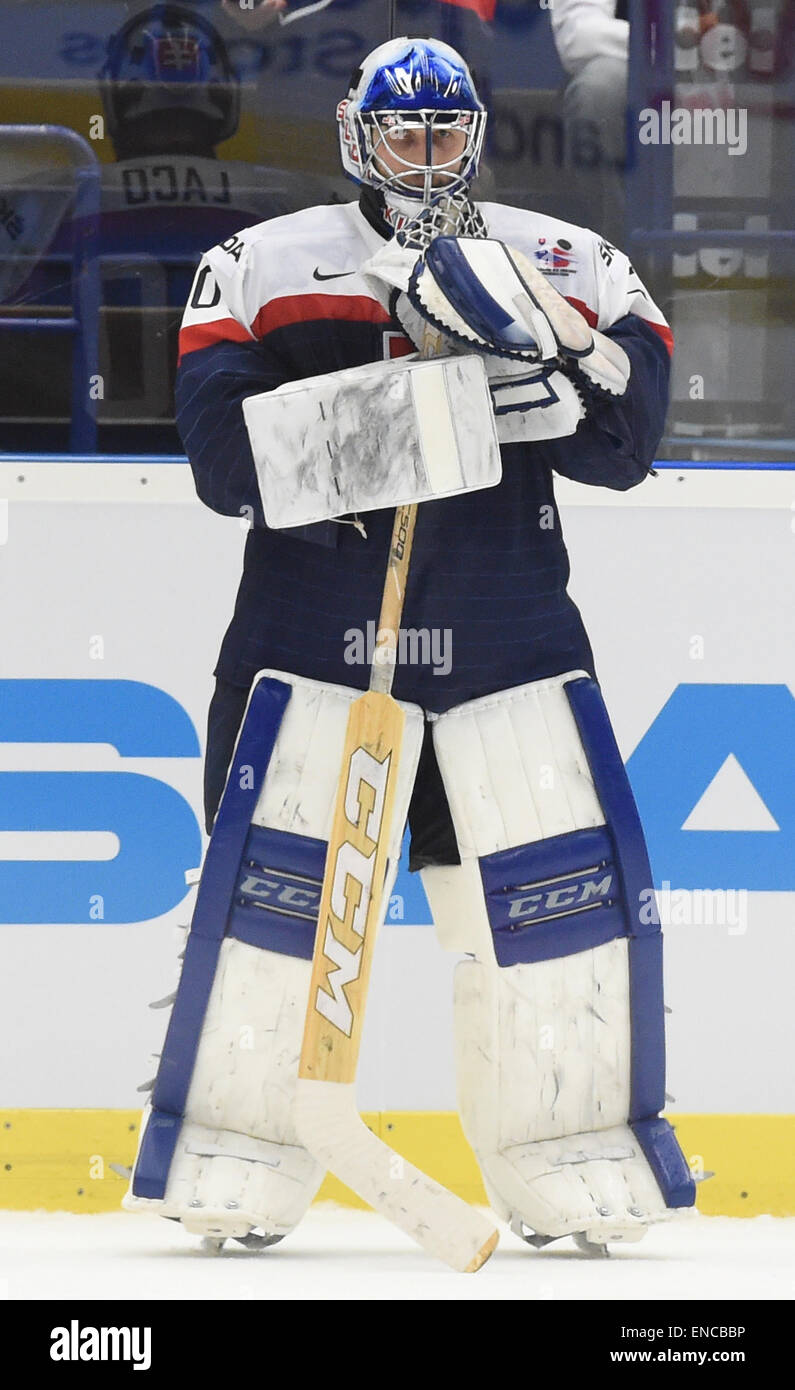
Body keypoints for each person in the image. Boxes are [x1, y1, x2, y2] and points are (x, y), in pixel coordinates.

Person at [125, 35, 695, 1256]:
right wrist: (443, 413)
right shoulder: (262, 267)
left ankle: (565, 1146)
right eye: (403, 129)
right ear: (355, 130)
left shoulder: (567, 261)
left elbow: (630, 442)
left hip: (509, 647)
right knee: (268, 931)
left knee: (548, 932)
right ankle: (240, 1144)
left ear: (475, 131)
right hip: (313, 647)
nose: (425, 153)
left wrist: (572, 355)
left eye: (446, 131)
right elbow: (227, 471)